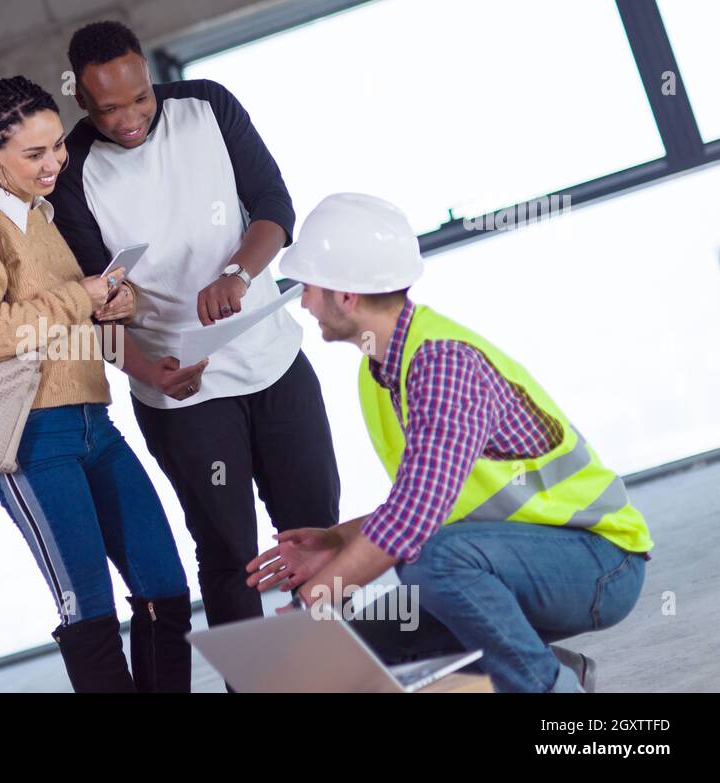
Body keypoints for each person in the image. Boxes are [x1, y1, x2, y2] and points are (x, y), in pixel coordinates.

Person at [246, 192, 654, 693]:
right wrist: (336, 541)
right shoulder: (382, 370)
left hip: (600, 563)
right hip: (512, 558)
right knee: (351, 650)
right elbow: (433, 501)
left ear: (346, 295)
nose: (305, 302)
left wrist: (318, 596)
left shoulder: (443, 364)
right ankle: (552, 669)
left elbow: (415, 517)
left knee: (432, 562)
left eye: (308, 288)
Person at [47, 21, 341, 639]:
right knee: (229, 557)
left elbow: (273, 205)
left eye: (140, 99)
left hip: (273, 364)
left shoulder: (208, 105)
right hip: (183, 396)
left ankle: (336, 671)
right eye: (109, 109)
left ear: (150, 76)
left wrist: (237, 273)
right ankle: (252, 682)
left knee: (318, 536)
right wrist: (146, 371)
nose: (130, 119)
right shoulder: (71, 174)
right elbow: (93, 308)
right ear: (80, 98)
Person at [0, 75, 191, 692]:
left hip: (95, 424)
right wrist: (82, 297)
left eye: (57, 147)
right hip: (31, 439)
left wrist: (115, 302)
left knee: (166, 589)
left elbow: (68, 314)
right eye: (34, 154)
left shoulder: (42, 215)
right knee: (89, 611)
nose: (53, 164)